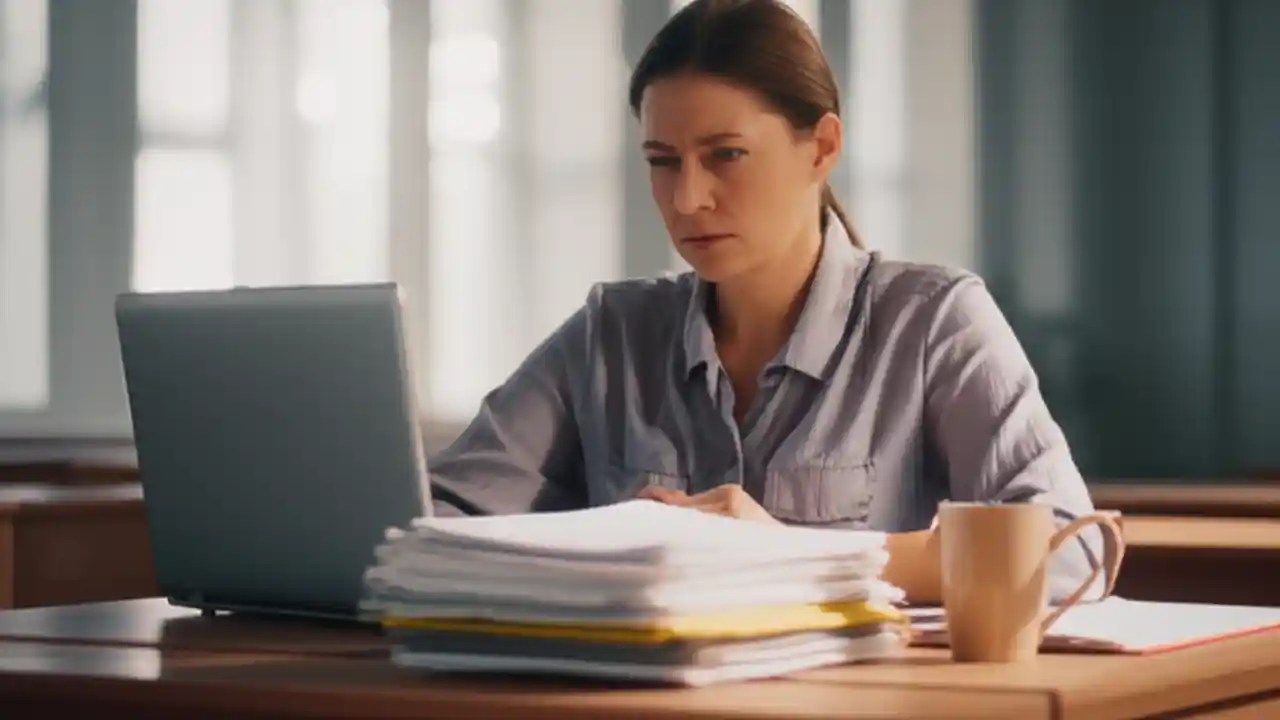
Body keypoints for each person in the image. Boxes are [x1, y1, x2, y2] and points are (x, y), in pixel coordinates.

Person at [426, 0, 1105, 604]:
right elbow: (435, 518)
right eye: (662, 161)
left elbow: (1070, 552)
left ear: (823, 147)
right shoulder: (612, 334)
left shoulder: (933, 321)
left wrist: (788, 552)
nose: (687, 199)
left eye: (726, 154)